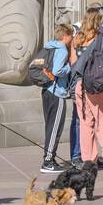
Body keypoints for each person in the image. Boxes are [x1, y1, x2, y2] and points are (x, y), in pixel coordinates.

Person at [72, 5, 103, 172]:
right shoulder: (100, 36)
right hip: (99, 85)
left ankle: (89, 160)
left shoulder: (78, 38)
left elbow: (73, 63)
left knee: (86, 124)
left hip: (81, 85)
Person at [39, 22, 75, 174]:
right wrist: (71, 65)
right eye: (71, 35)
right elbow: (58, 70)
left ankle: (50, 158)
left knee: (50, 126)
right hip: (57, 93)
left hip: (46, 90)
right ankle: (47, 161)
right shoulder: (61, 49)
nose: (72, 38)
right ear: (66, 36)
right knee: (55, 128)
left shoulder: (49, 46)